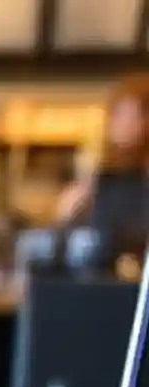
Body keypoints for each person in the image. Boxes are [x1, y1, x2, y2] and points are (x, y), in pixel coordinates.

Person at [57, 75, 149, 269]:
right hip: (103, 282)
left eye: (132, 115)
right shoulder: (103, 177)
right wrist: (69, 215)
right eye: (117, 115)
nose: (122, 124)